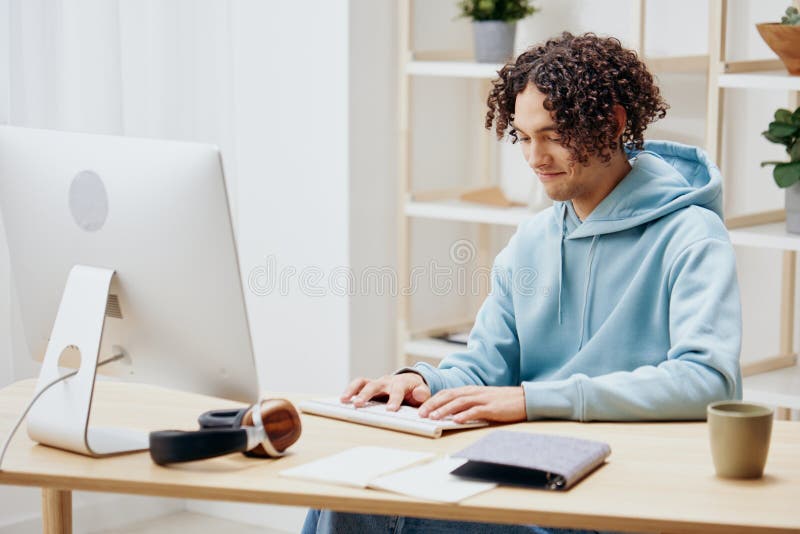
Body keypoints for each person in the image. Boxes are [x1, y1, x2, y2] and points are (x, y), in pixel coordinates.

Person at [302, 31, 741, 534]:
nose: (535, 158)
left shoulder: (691, 235)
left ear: (613, 123)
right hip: (529, 467)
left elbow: (709, 381)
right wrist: (423, 383)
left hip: (627, 486)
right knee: (345, 496)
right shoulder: (532, 240)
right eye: (524, 137)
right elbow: (485, 364)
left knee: (376, 515)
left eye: (553, 135)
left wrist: (534, 400)